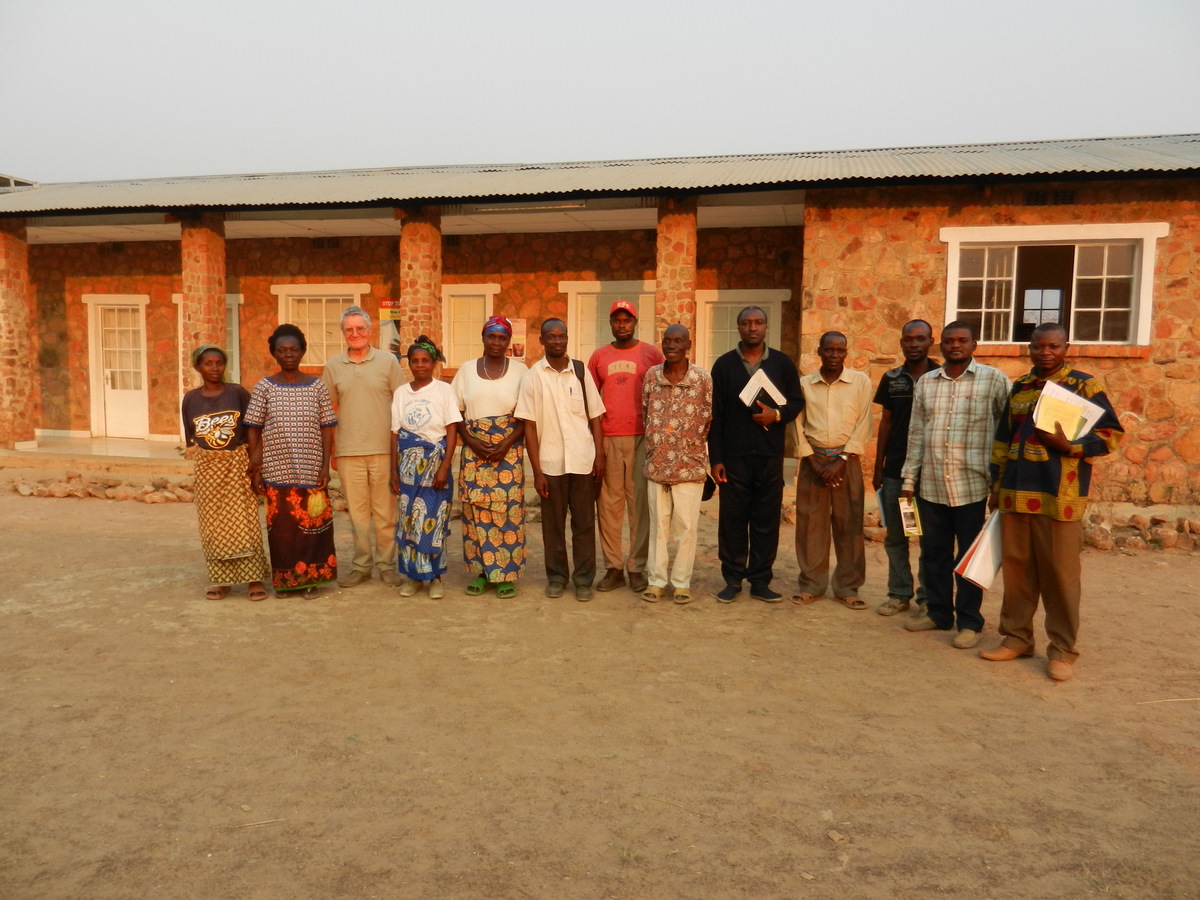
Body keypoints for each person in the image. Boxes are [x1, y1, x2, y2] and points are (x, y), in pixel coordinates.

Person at [981, 323, 1123, 681]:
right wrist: (996, 486)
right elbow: (1002, 440)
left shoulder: (1083, 385)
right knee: (1017, 572)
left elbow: (1111, 434)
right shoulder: (1020, 387)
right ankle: (1016, 638)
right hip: (1015, 494)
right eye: (1038, 347)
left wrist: (1070, 446)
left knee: (1061, 576)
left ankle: (1062, 650)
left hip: (1060, 497)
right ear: (1029, 349)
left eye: (1053, 347)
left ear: (1066, 347)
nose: (1045, 353)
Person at [900, 321, 1010, 648]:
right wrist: (910, 478)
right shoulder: (927, 383)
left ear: (974, 344)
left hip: (973, 487)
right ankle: (938, 613)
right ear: (941, 346)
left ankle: (969, 622)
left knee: (969, 557)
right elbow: (916, 433)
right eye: (949, 341)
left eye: (963, 340)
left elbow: (1006, 431)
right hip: (931, 485)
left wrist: (999, 484)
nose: (955, 346)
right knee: (934, 554)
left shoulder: (993, 380)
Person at [708, 306, 804, 603]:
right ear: (738, 327)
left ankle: (761, 580)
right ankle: (733, 579)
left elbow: (796, 402)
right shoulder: (724, 365)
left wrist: (776, 416)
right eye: (747, 323)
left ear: (766, 327)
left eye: (758, 322)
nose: (753, 327)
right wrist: (716, 459)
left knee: (766, 520)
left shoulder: (781, 364)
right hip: (734, 457)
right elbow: (716, 415)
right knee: (732, 521)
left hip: (769, 456)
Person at [515, 318, 606, 601]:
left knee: (583, 524)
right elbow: (529, 426)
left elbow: (595, 417)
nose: (557, 341)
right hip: (551, 464)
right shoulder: (533, 377)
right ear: (541, 341)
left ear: (567, 338)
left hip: (582, 460)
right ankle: (556, 577)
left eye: (561, 336)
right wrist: (537, 472)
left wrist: (599, 456)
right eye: (550, 337)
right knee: (552, 526)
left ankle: (583, 580)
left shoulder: (580, 372)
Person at [245, 324, 337, 599]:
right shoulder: (265, 387)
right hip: (276, 471)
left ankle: (310, 581)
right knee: (281, 533)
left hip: (310, 472)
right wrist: (256, 467)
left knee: (311, 530)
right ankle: (285, 582)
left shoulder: (317, 386)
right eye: (282, 350)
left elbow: (327, 427)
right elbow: (253, 427)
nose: (288, 354)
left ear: (302, 351)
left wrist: (324, 466)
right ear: (273, 353)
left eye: (293, 349)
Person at [321, 306, 406, 588]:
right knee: (357, 514)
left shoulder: (388, 362)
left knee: (385, 513)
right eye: (349, 329)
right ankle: (361, 566)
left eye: (360, 328)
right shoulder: (333, 366)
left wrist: (400, 448)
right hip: (348, 452)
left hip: (383, 449)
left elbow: (402, 403)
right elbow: (330, 410)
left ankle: (386, 565)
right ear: (343, 333)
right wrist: (332, 451)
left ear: (369, 331)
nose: (355, 333)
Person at [181, 345, 269, 602]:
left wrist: (255, 464)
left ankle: (253, 578)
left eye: (219, 363)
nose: (214, 368)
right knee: (213, 525)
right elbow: (192, 437)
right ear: (197, 367)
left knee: (245, 522)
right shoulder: (190, 399)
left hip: (238, 464)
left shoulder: (237, 393)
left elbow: (254, 428)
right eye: (208, 364)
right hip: (208, 467)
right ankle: (222, 580)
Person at [792, 332, 874, 610]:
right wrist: (813, 461)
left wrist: (841, 459)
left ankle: (848, 587)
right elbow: (796, 424)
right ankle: (811, 585)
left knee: (848, 525)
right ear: (820, 352)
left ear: (846, 353)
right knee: (810, 525)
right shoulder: (804, 385)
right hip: (813, 462)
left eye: (840, 350)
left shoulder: (860, 382)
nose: (835, 355)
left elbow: (864, 423)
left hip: (846, 463)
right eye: (829, 350)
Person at [587, 300, 664, 594]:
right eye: (617, 320)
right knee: (609, 506)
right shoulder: (599, 357)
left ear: (635, 322)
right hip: (608, 437)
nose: (622, 325)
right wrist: (594, 447)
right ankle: (613, 567)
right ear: (611, 323)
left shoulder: (651, 354)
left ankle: (637, 567)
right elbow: (591, 402)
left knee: (639, 506)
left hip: (641, 437)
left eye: (627, 320)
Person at [451, 315, 528, 599]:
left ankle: (506, 574)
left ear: (508, 342)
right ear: (483, 338)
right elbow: (455, 411)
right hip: (474, 451)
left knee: (508, 512)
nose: (496, 342)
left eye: (502, 337)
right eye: (491, 336)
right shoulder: (467, 371)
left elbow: (526, 414)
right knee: (477, 513)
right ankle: (484, 572)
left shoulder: (521, 372)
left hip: (508, 452)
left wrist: (506, 442)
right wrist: (470, 441)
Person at [640, 324, 712, 604]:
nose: (671, 345)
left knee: (686, 528)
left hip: (689, 468)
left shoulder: (702, 379)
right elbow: (646, 413)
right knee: (658, 527)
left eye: (677, 341)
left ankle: (681, 582)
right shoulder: (651, 377)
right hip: (656, 466)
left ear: (688, 345)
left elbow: (708, 418)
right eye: (667, 341)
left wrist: (690, 449)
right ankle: (656, 580)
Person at [872, 320, 939, 616]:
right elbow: (886, 424)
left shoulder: (942, 376)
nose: (914, 344)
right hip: (896, 472)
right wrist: (877, 467)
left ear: (930, 342)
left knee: (927, 539)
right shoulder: (892, 378)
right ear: (901, 343)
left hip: (931, 473)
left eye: (920, 339)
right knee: (897, 536)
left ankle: (927, 598)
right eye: (908, 339)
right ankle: (899, 594)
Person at [390, 335, 461, 599]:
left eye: (425, 360)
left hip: (435, 467)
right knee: (409, 521)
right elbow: (395, 434)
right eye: (415, 361)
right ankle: (412, 577)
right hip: (407, 468)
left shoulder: (444, 390)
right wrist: (393, 471)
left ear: (433, 363)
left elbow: (452, 430)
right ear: (408, 363)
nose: (420, 365)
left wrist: (445, 467)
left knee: (433, 520)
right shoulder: (401, 393)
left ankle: (435, 578)